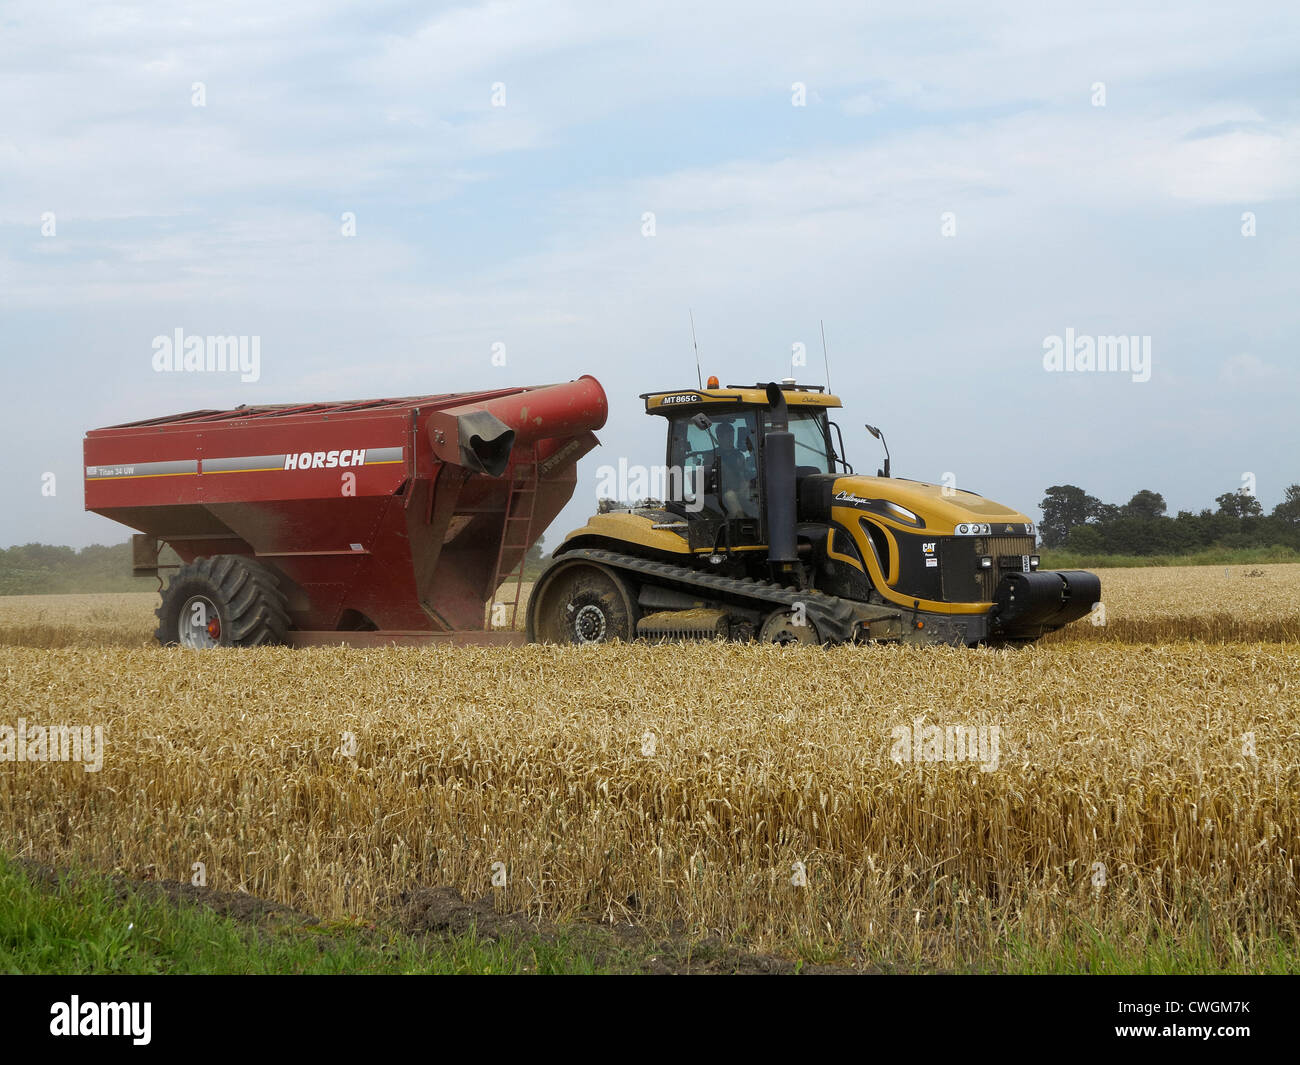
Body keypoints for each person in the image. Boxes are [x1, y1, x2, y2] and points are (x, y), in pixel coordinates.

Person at [714, 422, 757, 518]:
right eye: (727, 436)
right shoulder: (713, 456)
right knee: (730, 496)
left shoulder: (739, 455)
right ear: (719, 438)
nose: (731, 439)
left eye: (732, 436)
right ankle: (742, 522)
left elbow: (744, 473)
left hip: (740, 489)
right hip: (722, 493)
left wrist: (746, 484)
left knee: (756, 492)